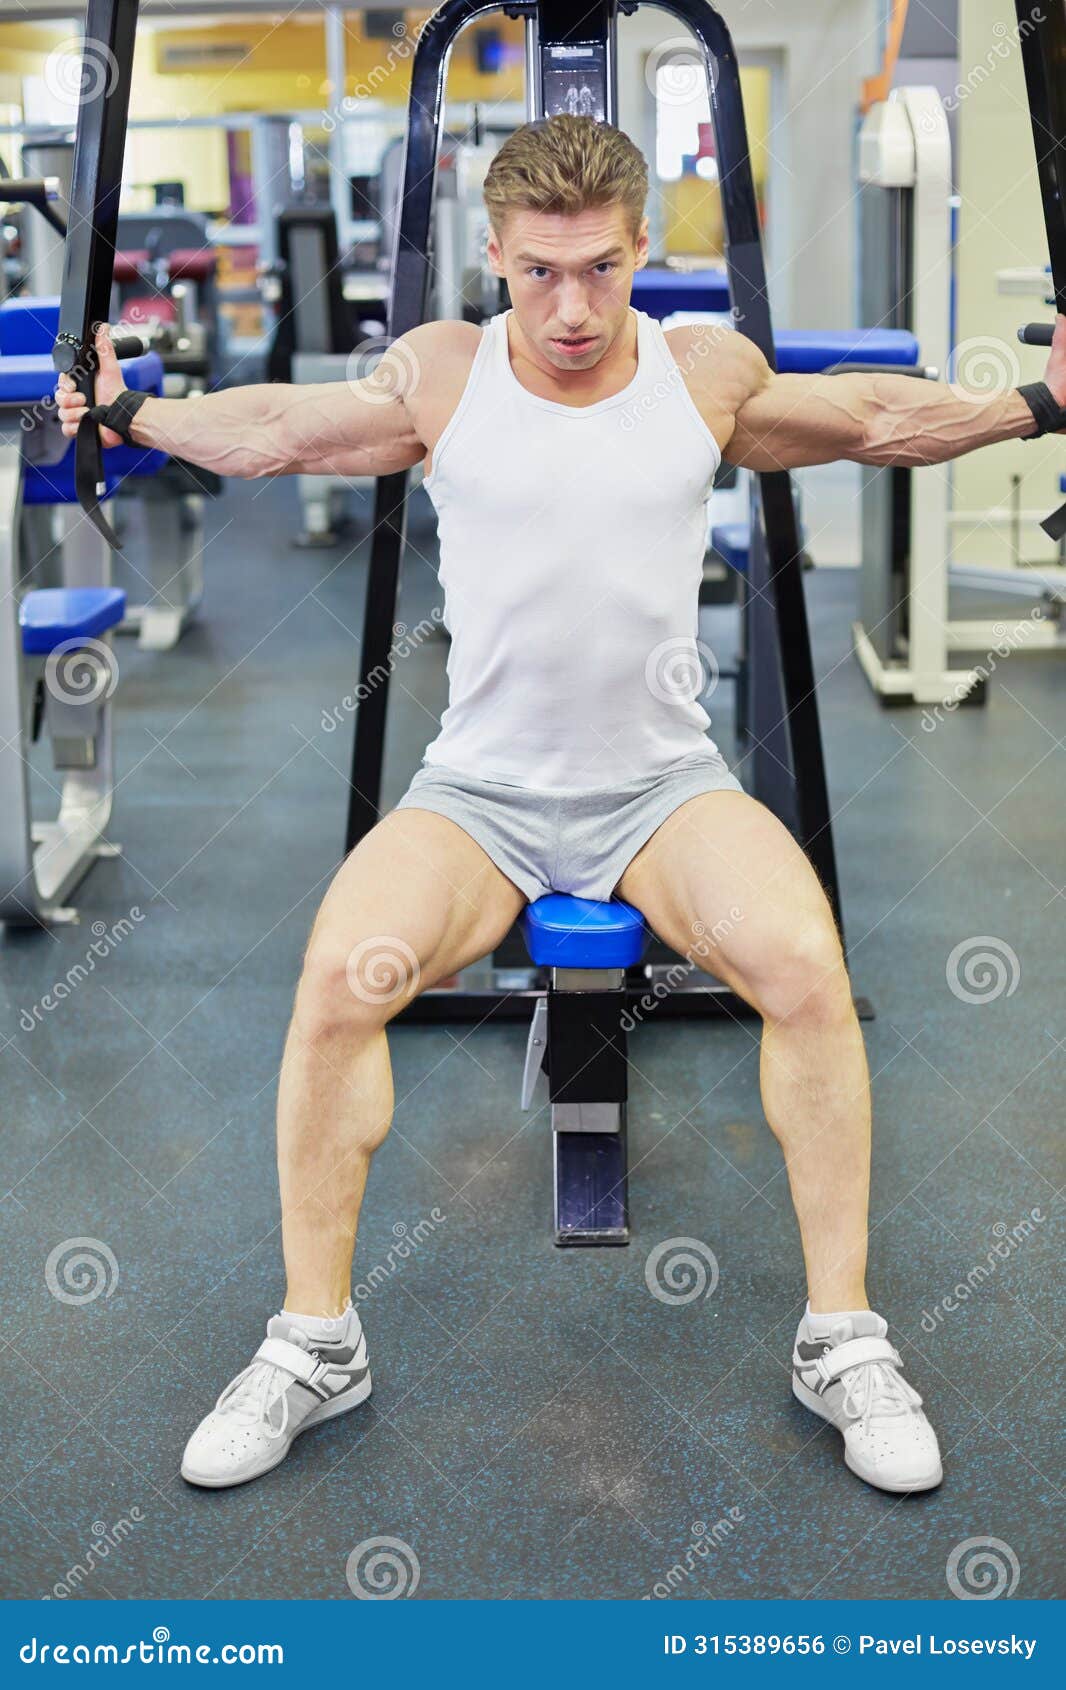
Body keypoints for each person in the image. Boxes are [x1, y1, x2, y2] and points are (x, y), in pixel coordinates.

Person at [56, 116, 1066, 1497]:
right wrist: (130, 414)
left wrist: (1039, 404)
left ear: (643, 248)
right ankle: (315, 1337)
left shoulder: (701, 374)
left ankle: (841, 1337)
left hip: (661, 787)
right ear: (493, 256)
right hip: (480, 792)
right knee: (340, 980)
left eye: (598, 267)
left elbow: (878, 422)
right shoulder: (444, 372)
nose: (573, 306)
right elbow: (285, 433)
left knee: (804, 966)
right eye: (539, 272)